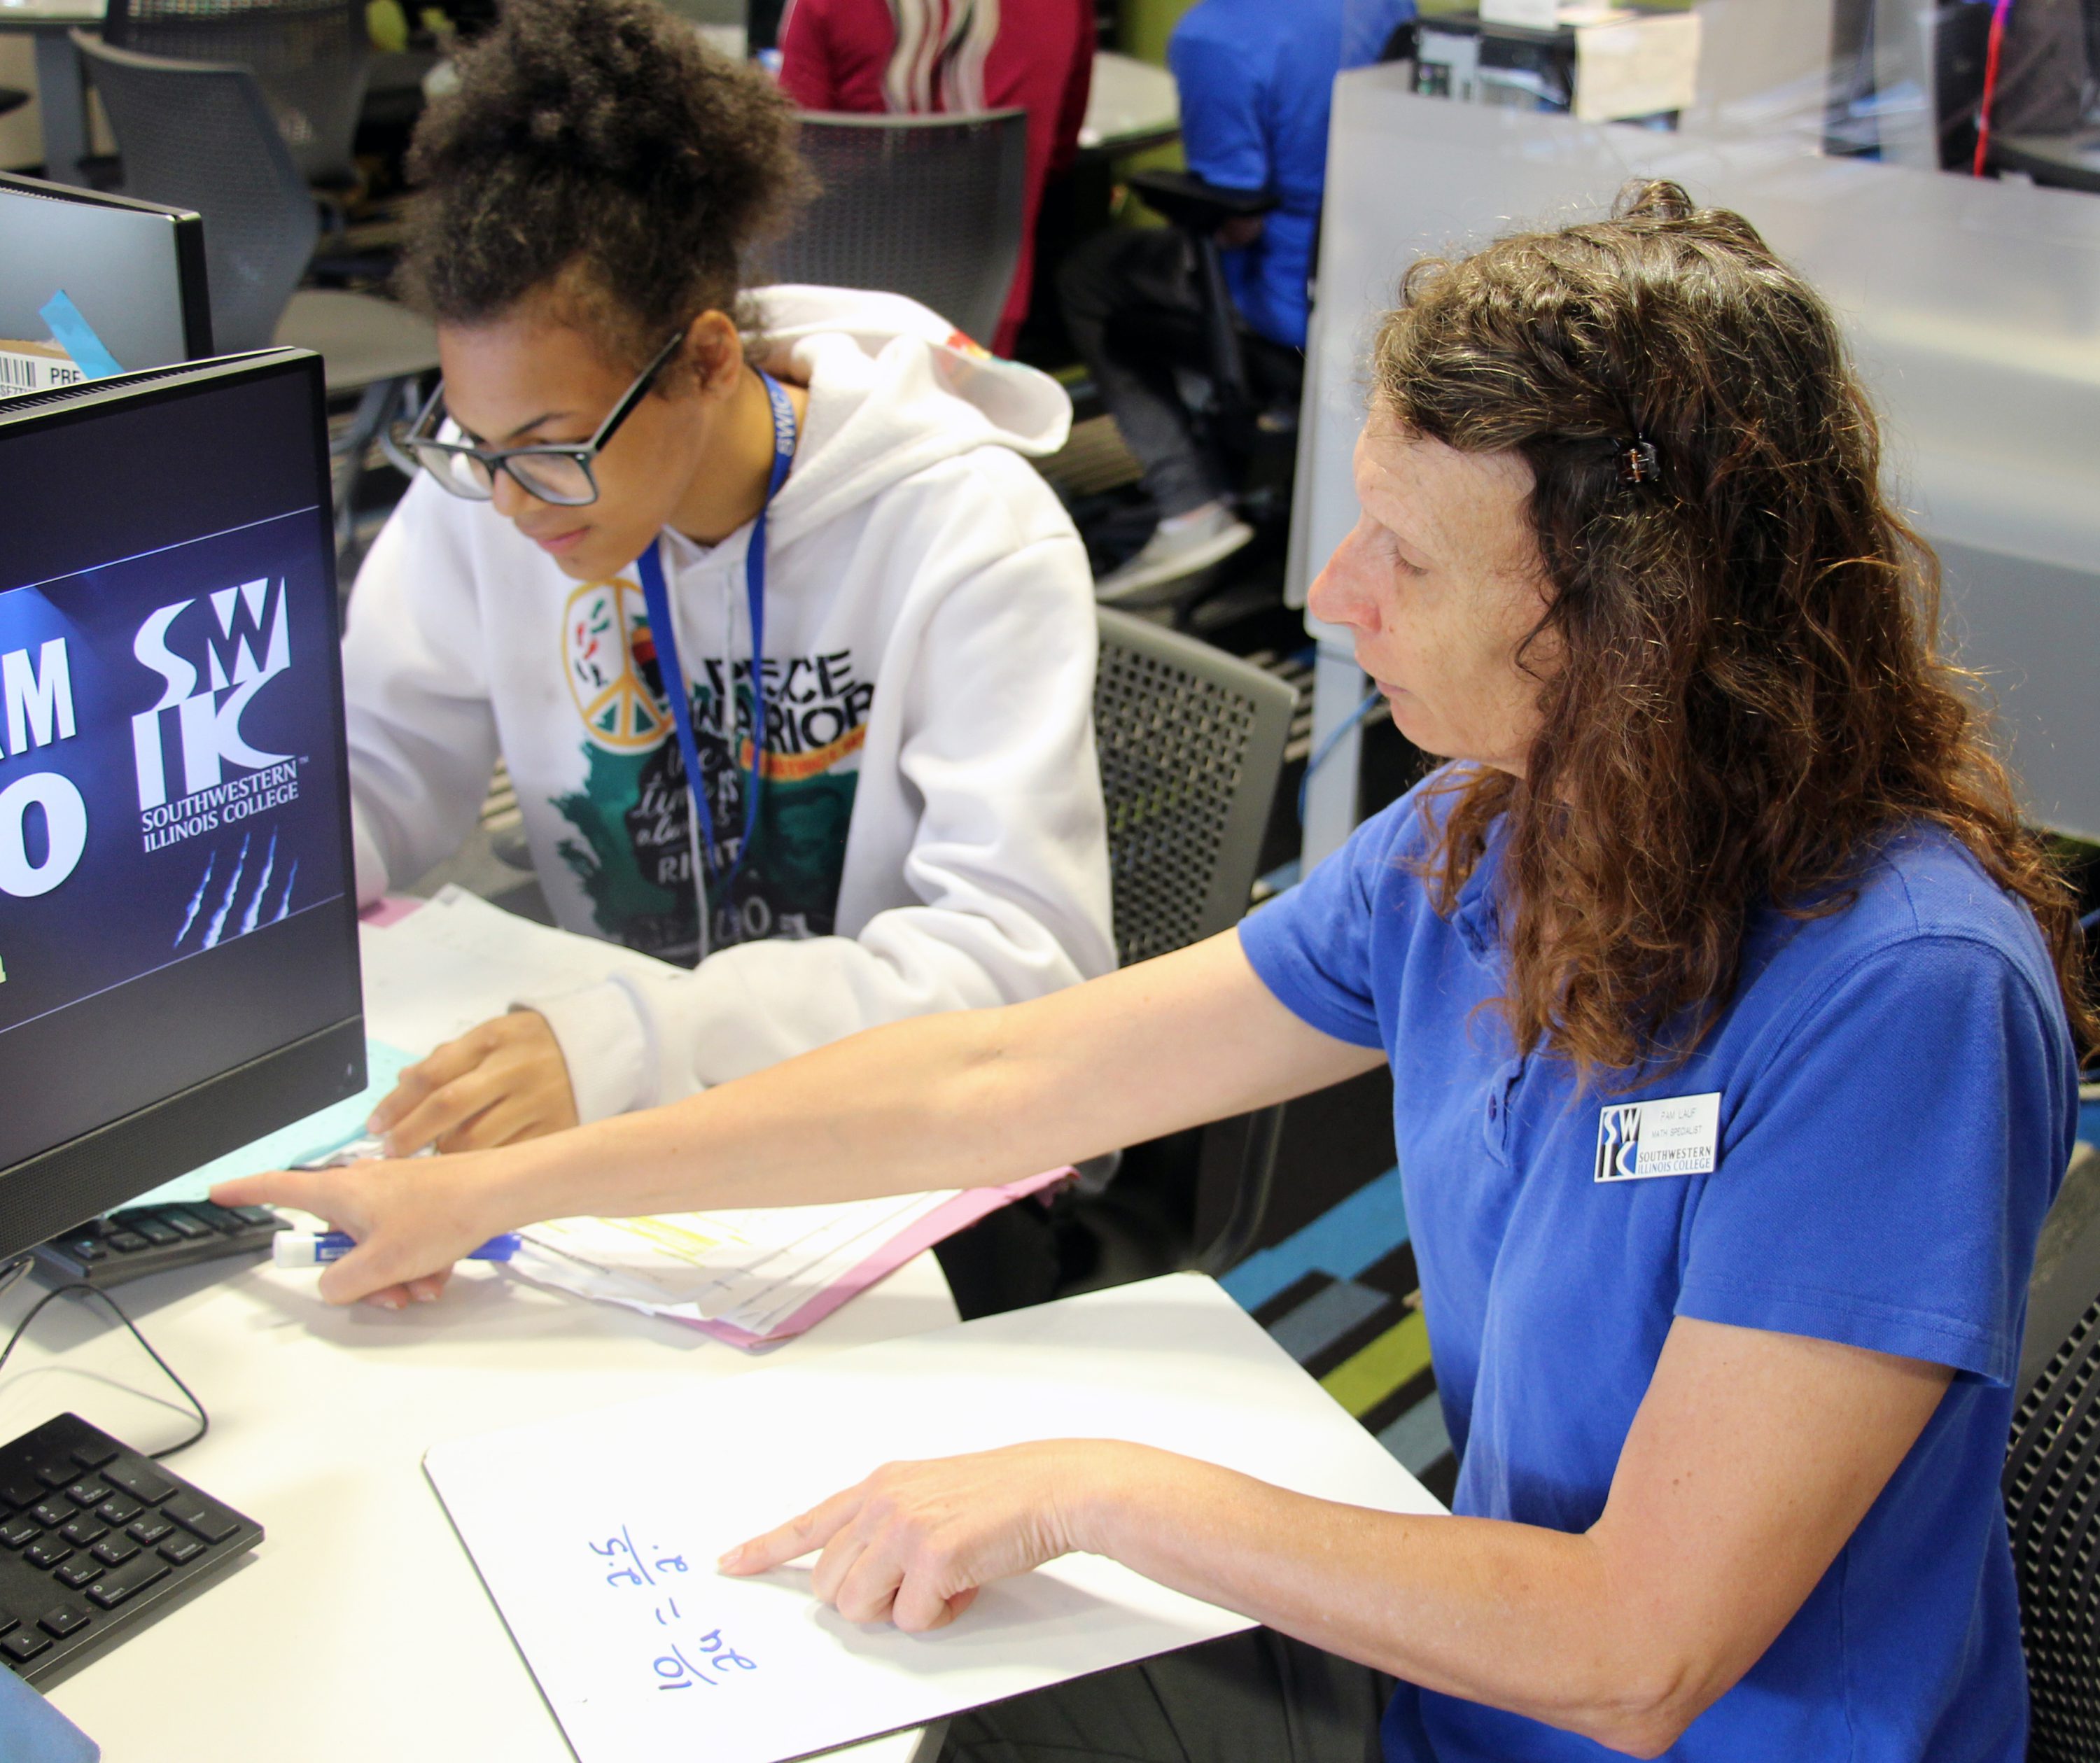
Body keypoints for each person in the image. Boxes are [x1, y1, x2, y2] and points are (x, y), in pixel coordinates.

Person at [225, 183, 2086, 1761]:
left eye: (1411, 556)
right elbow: (1000, 1076)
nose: (1331, 593)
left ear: (1633, 628)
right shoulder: (1495, 840)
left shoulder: (1898, 990)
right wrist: (496, 1188)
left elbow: (1635, 1640)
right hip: (1471, 1690)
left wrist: (1095, 1483)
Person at [344, 0, 1114, 1227]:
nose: (506, 499)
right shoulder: (497, 495)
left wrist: (650, 1033)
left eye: (551, 448)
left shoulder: (967, 532)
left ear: (708, 359)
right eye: (472, 443)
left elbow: (1025, 962)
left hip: (878, 1149)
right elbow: (378, 771)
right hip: (616, 1115)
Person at [1058, 0, 1349, 603]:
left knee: (1087, 274)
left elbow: (1235, 219)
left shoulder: (1217, 36)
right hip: (1359, 279)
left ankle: (1189, 503)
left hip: (1280, 293)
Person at [776, 0, 1096, 357]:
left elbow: (791, 173)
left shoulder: (824, 7)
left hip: (838, 333)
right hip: (983, 321)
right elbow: (1059, 156)